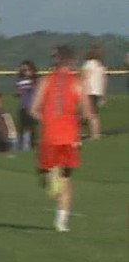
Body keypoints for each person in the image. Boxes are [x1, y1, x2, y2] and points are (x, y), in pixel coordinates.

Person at [30, 45, 100, 232]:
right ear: (73, 61)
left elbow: (33, 110)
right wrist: (85, 126)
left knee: (44, 173)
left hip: (49, 136)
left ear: (56, 59)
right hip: (70, 137)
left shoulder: (45, 81)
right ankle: (61, 222)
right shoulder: (78, 83)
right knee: (67, 179)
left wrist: (47, 119)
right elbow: (87, 113)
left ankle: (50, 178)